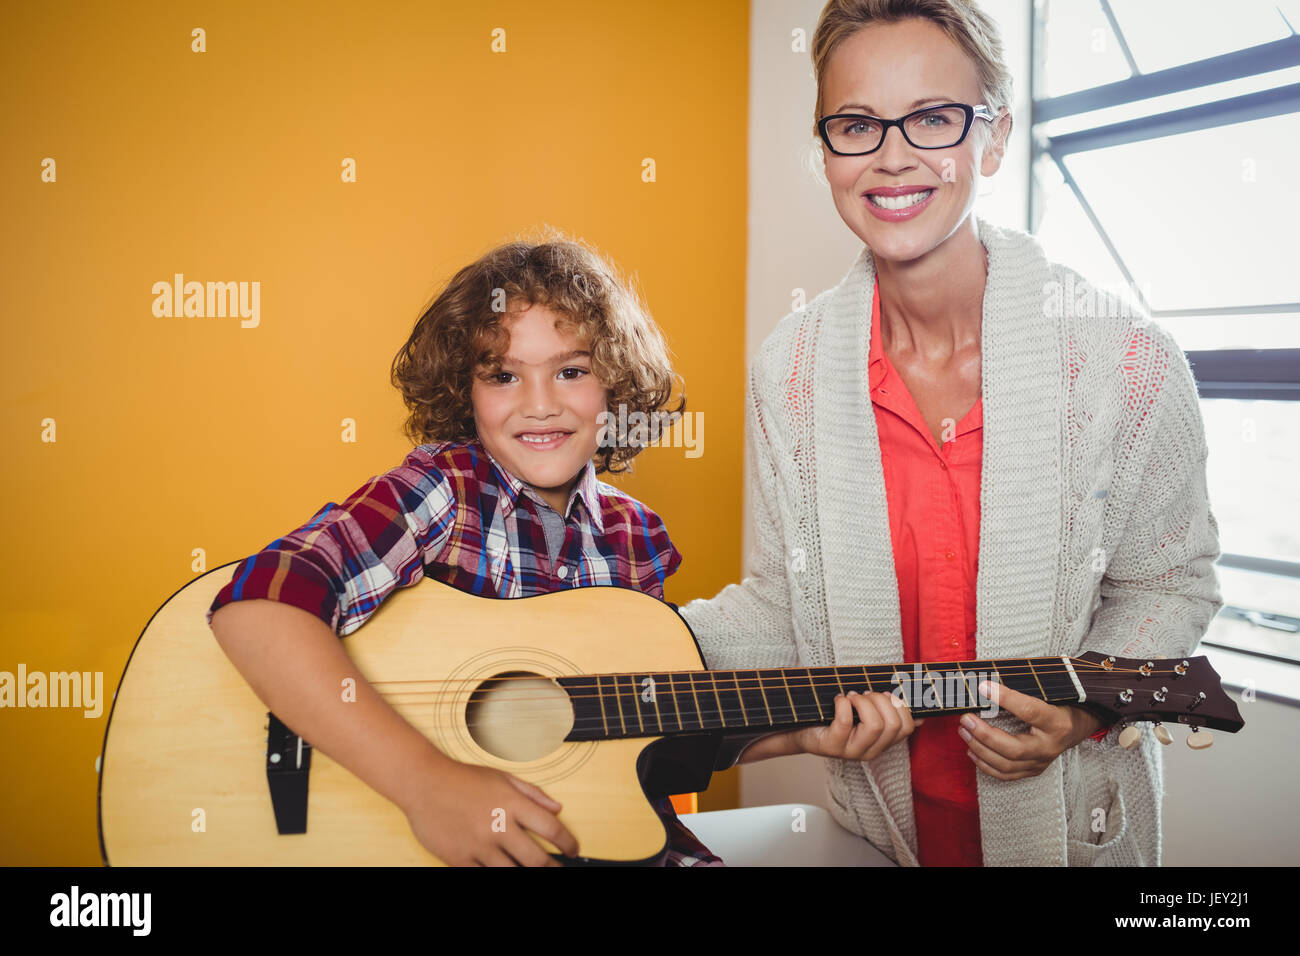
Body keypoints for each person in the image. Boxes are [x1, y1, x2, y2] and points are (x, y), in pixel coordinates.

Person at [680, 0, 1223, 866]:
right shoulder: (787, 372)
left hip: (1076, 842)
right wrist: (629, 639)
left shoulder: (1128, 361)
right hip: (878, 838)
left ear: (995, 137)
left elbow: (1172, 585)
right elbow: (788, 604)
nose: (893, 157)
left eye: (933, 118)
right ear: (824, 149)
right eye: (856, 124)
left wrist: (1083, 713)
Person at [206, 234, 722, 866]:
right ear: (464, 392)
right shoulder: (441, 492)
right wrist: (427, 783)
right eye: (503, 375)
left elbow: (638, 742)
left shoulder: (638, 538)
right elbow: (258, 602)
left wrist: (801, 730)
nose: (540, 404)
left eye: (571, 370)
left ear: (614, 384)